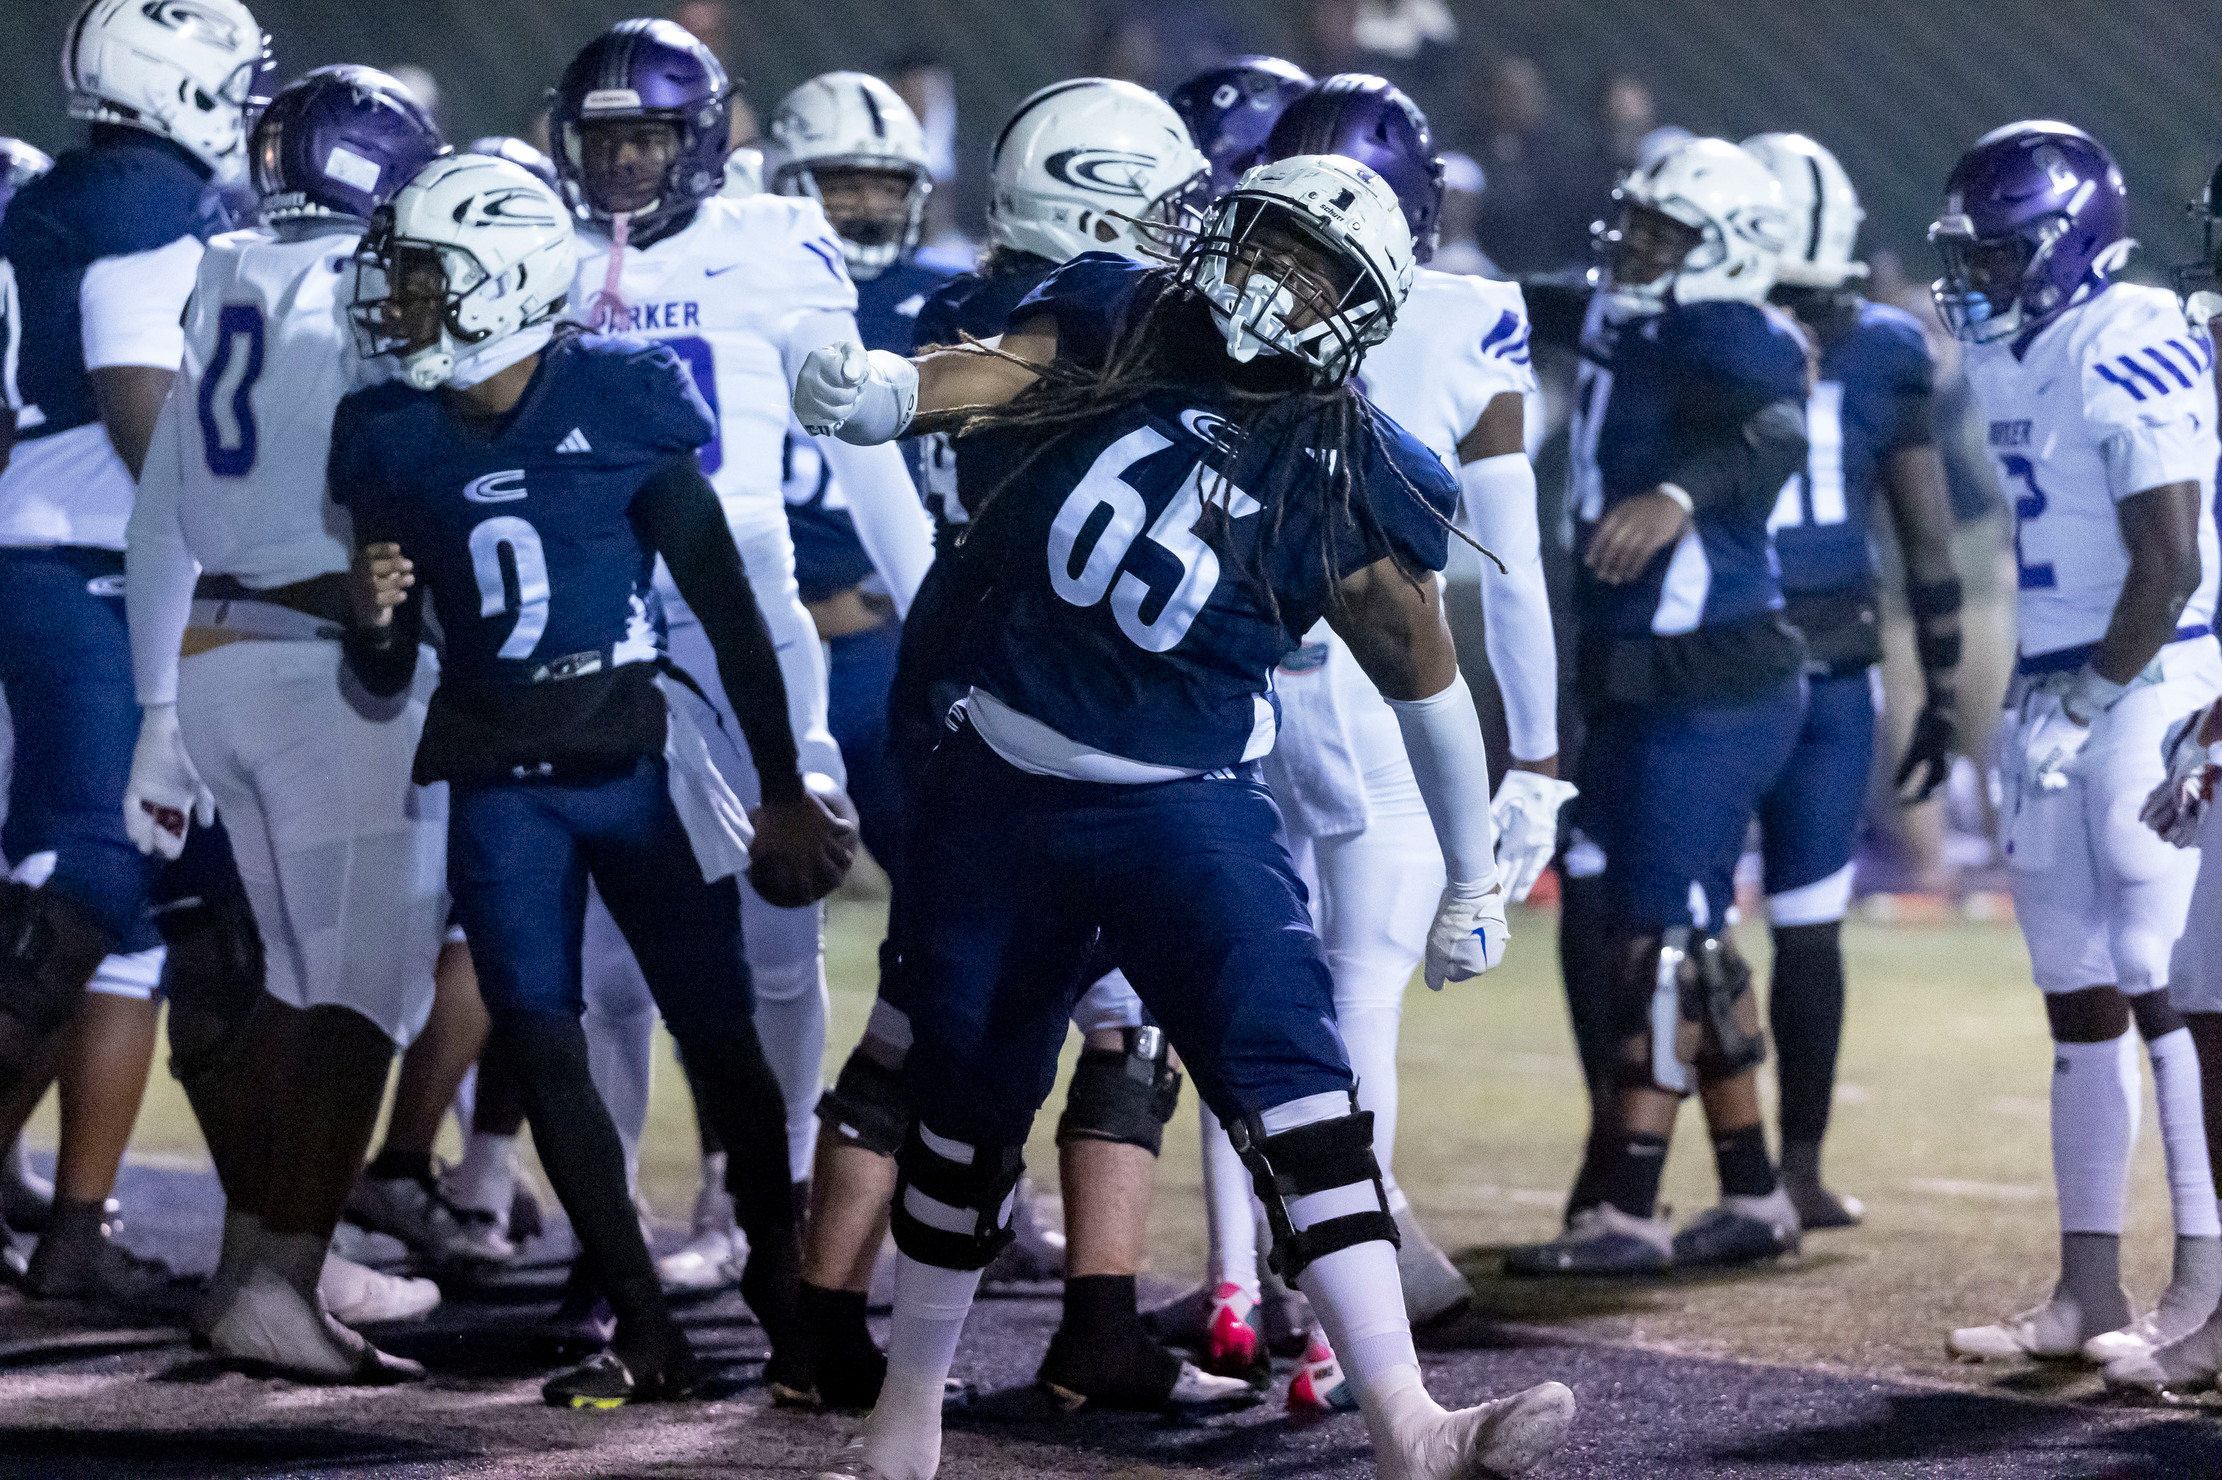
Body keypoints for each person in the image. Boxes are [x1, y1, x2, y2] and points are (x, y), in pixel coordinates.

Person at [792, 150, 1574, 1480]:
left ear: (1362, 312)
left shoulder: (1345, 457)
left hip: (1183, 813)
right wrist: (885, 394)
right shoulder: (1122, 312)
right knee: (962, 1111)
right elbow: (997, 370)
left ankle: (1407, 1424)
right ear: (1224, 233)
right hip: (997, 796)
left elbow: (1425, 684)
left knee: (1302, 1088)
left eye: (1316, 273)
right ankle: (901, 1424)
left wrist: (1467, 874)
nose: (1278, 283)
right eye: (1270, 245)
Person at [337, 150, 857, 1406]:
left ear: (501, 281)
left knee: (719, 1035)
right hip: (496, 774)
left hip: (630, 759)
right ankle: (637, 1312)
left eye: (420, 279)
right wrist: (372, 616)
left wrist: (781, 778)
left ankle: (784, 1294)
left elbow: (728, 609)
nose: (396, 303)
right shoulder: (387, 431)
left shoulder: (620, 396)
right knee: (540, 1036)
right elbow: (385, 661)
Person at [793, 77, 1239, 1419]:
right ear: (1095, 200)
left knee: (940, 1020)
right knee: (1067, 1028)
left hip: (955, 680)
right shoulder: (1076, 326)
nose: (1179, 228)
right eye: (1156, 201)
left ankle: (848, 1321)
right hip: (1050, 705)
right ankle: (1047, 1328)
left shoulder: (948, 305)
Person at [1166, 71, 1569, 1410]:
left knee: (1240, 995)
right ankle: (1342, 1326)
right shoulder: (1460, 312)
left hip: (1227, 673)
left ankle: (1235, 1291)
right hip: (1370, 689)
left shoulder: (1202, 300)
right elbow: (1504, 566)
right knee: (1353, 1012)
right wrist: (1542, 757)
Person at [541, 25, 935, 1303]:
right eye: (602, 140)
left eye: (645, 138)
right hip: (591, 618)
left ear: (701, 144)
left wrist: (931, 608)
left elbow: (863, 445)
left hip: (738, 612)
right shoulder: (539, 246)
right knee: (606, 956)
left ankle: (775, 1194)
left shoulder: (767, 244)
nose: (619, 165)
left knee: (784, 917)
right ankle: (611, 1245)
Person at [123, 63, 453, 1378]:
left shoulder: (225, 274)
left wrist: (156, 713)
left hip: (216, 646)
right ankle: (282, 1274)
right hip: (332, 661)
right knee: (363, 989)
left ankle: (263, 1256)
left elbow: (157, 517)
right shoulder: (367, 288)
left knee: (294, 982)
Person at [1926, 122, 2222, 1369]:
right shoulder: (2015, 353)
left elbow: (2169, 557)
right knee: (2076, 997)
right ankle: (2085, 1288)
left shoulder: (2131, 334)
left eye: (1997, 256)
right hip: (2058, 685)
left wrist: (2095, 699)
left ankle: (2199, 1290)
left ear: (2064, 247)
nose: (1979, 278)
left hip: (2146, 678)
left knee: (2172, 989)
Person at [1503, 137, 1813, 1276]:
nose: (1632, 248)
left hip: (1711, 686)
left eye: (1660, 234)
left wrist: (1682, 491)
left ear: (1721, 251)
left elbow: (1782, 421)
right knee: (1685, 939)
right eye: (1633, 226)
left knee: (1659, 947)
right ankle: (1754, 1192)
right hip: (1646, 684)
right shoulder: (1638, 317)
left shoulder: (1723, 330)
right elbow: (1541, 301)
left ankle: (1626, 1210)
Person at [0, 0, 266, 1312]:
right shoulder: (146, 203)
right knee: (83, 885)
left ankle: (77, 1228)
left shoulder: (64, 191)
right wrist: (252, 546)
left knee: (147, 915)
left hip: (59, 559)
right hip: (89, 569)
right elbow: (133, 397)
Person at [1733, 132, 1963, 1234]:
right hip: (1806, 668)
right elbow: (1925, 540)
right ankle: (1782, 1170)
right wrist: (1948, 680)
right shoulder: (1880, 344)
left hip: (1730, 666)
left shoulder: (1702, 331)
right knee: (1796, 921)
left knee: (1691, 924)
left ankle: (1663, 1176)